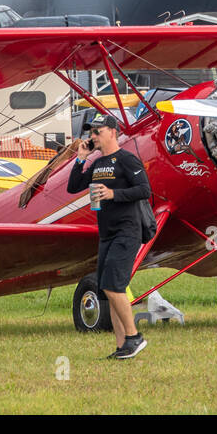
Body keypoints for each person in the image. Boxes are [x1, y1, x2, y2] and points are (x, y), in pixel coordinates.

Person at [67, 114, 153, 359]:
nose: (93, 136)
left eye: (97, 131)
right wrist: (80, 160)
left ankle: (134, 336)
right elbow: (73, 187)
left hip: (128, 230)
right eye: (91, 132)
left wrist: (113, 194)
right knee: (109, 288)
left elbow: (144, 190)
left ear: (113, 132)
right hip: (106, 233)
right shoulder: (96, 163)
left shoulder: (126, 159)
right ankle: (122, 346)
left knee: (113, 286)